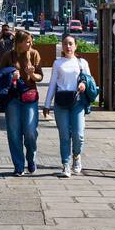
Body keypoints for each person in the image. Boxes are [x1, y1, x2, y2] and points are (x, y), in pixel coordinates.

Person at [46, 35, 92, 178]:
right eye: (65, 44)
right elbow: (53, 83)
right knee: (64, 135)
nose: (68, 47)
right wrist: (47, 104)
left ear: (76, 46)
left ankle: (76, 157)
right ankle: (66, 164)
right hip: (61, 102)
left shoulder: (82, 63)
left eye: (71, 44)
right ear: (62, 46)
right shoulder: (58, 63)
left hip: (77, 102)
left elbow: (90, 81)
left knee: (78, 134)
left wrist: (84, 84)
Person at [3, 30, 42, 176]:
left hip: (30, 97)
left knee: (30, 132)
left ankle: (31, 158)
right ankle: (18, 166)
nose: (30, 43)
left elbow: (40, 77)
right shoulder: (9, 56)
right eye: (27, 41)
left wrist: (32, 74)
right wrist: (10, 75)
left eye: (30, 41)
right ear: (19, 43)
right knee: (14, 133)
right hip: (13, 98)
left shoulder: (34, 54)